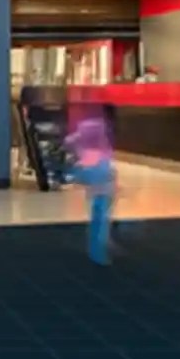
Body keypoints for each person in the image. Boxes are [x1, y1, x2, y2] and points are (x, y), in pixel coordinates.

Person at [63, 104, 118, 265]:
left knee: (101, 206)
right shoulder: (98, 128)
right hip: (97, 171)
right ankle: (98, 248)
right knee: (101, 209)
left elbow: (69, 142)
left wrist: (78, 156)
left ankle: (100, 243)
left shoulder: (92, 127)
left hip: (92, 170)